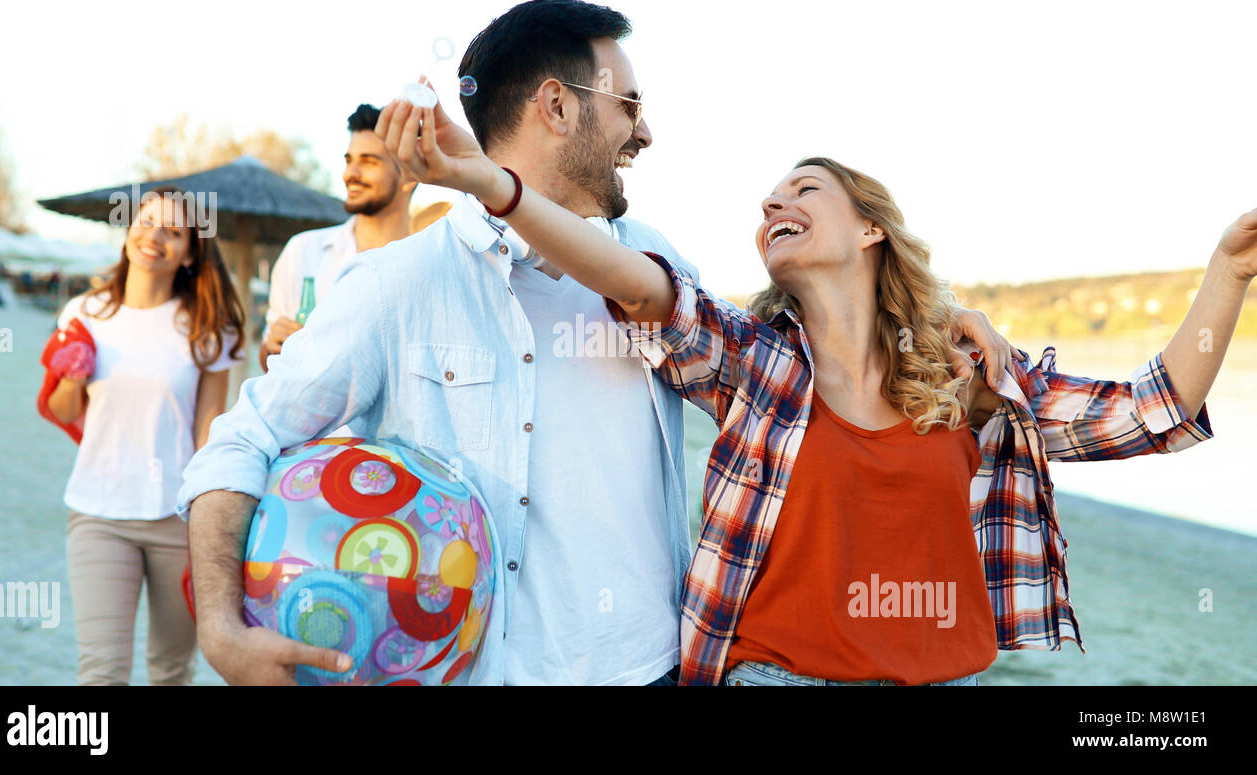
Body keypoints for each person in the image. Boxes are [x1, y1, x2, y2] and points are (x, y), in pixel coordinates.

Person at [177, 0, 1005, 686]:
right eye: (630, 107)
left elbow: (803, 354)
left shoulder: (654, 260)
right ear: (559, 105)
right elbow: (241, 441)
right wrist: (220, 628)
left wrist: (942, 320)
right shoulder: (399, 286)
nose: (646, 135)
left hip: (657, 669)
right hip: (480, 671)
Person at [383, 88, 1255, 685]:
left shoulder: (967, 378)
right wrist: (494, 186)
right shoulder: (756, 365)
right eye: (766, 205)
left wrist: (1228, 267)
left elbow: (1152, 410)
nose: (773, 207)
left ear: (869, 226)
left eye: (801, 190)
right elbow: (635, 281)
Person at [43, 186, 246, 685]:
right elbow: (60, 408)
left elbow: (210, 427)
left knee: (171, 669)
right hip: (97, 514)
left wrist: (215, 515)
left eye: (173, 232)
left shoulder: (206, 328)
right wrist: (73, 374)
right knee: (102, 671)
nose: (154, 236)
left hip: (177, 520)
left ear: (191, 252)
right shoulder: (82, 313)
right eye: (147, 221)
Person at [259, 104, 420, 372]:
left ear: (410, 176)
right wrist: (273, 347)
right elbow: (269, 361)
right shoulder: (302, 252)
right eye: (349, 160)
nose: (350, 174)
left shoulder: (430, 265)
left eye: (369, 161)